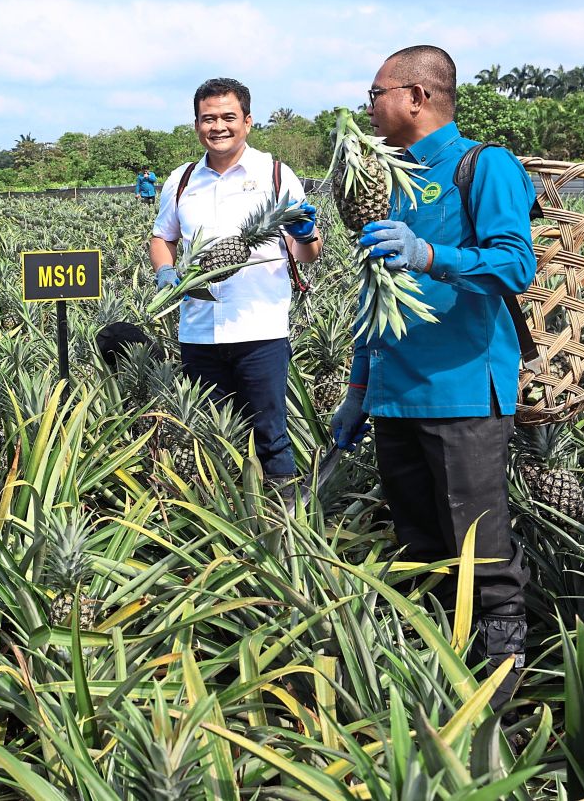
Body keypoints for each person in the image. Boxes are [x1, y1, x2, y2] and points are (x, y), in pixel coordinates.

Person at [328, 46, 537, 712]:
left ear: (417, 96)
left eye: (376, 91)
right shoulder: (383, 179)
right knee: (419, 543)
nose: (369, 105)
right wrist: (360, 387)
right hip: (395, 391)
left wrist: (430, 254)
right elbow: (376, 291)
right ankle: (435, 670)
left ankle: (502, 691)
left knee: (482, 551)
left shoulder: (485, 165)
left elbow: (514, 264)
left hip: (463, 387)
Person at [150, 78, 320, 486]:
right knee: (208, 433)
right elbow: (162, 237)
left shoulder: (275, 174)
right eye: (209, 119)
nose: (219, 126)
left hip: (259, 329)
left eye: (229, 117)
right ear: (196, 125)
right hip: (198, 330)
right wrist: (165, 271)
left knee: (269, 436)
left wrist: (308, 235)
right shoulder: (182, 180)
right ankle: (217, 514)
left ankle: (283, 527)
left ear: (247, 121)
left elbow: (306, 255)